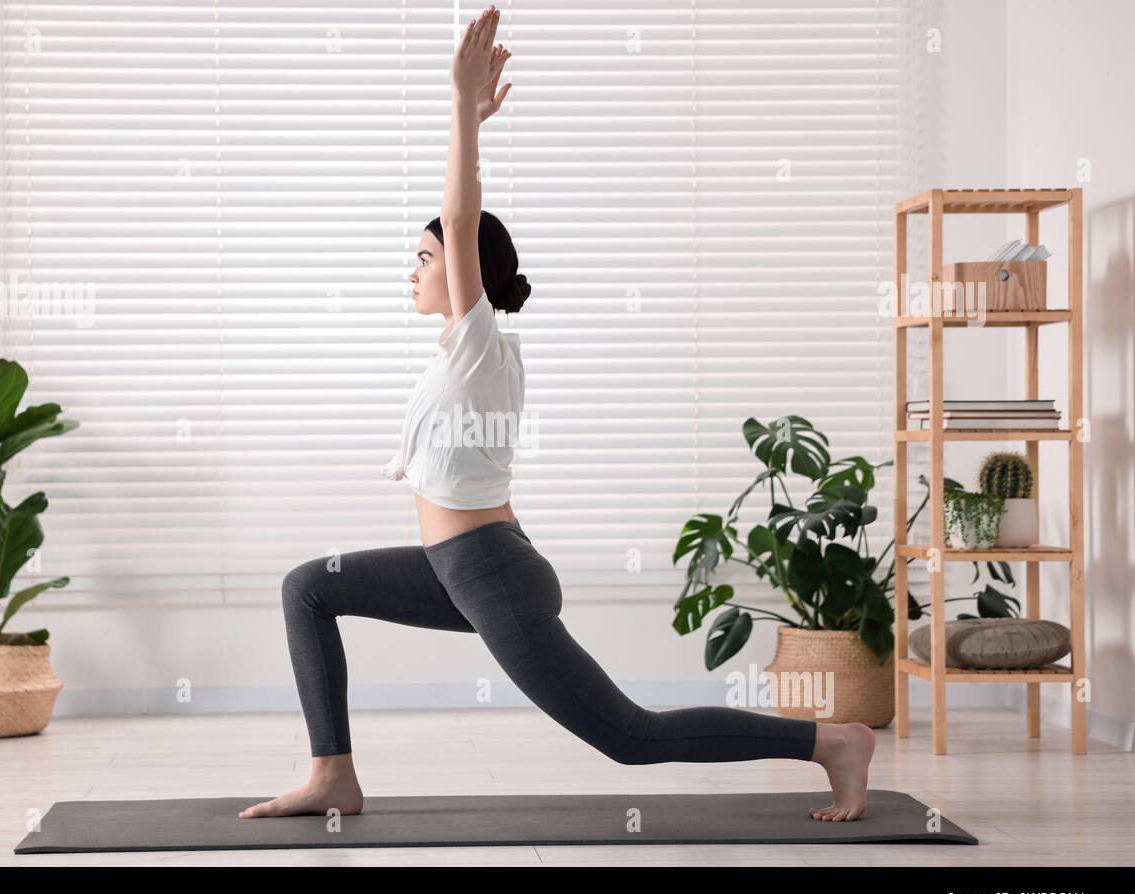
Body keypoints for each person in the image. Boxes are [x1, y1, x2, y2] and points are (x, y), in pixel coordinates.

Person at [241, 4, 875, 824]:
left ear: (466, 271)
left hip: (490, 572)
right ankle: (333, 772)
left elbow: (463, 215)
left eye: (424, 257)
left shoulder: (479, 344)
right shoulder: (454, 355)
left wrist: (462, 112)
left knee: (628, 736)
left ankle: (831, 744)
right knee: (308, 588)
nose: (413, 270)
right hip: (452, 567)